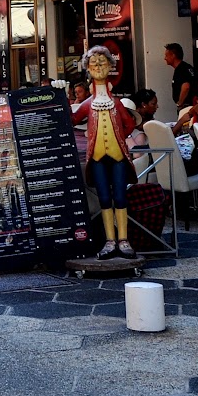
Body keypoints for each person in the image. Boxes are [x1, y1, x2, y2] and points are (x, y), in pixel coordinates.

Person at [68, 46, 140, 258]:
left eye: (102, 62)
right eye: (94, 63)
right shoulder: (87, 104)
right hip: (97, 158)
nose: (98, 66)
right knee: (104, 198)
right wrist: (61, 97)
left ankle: (123, 239)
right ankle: (110, 240)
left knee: (120, 196)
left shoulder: (116, 103)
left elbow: (129, 124)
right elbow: (72, 120)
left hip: (118, 157)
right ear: (88, 69)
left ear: (110, 66)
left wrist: (119, 138)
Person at [163, 43, 193, 116]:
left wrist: (180, 103)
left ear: (173, 55)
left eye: (166, 55)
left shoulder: (181, 69)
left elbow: (186, 87)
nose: (165, 58)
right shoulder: (186, 67)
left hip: (187, 107)